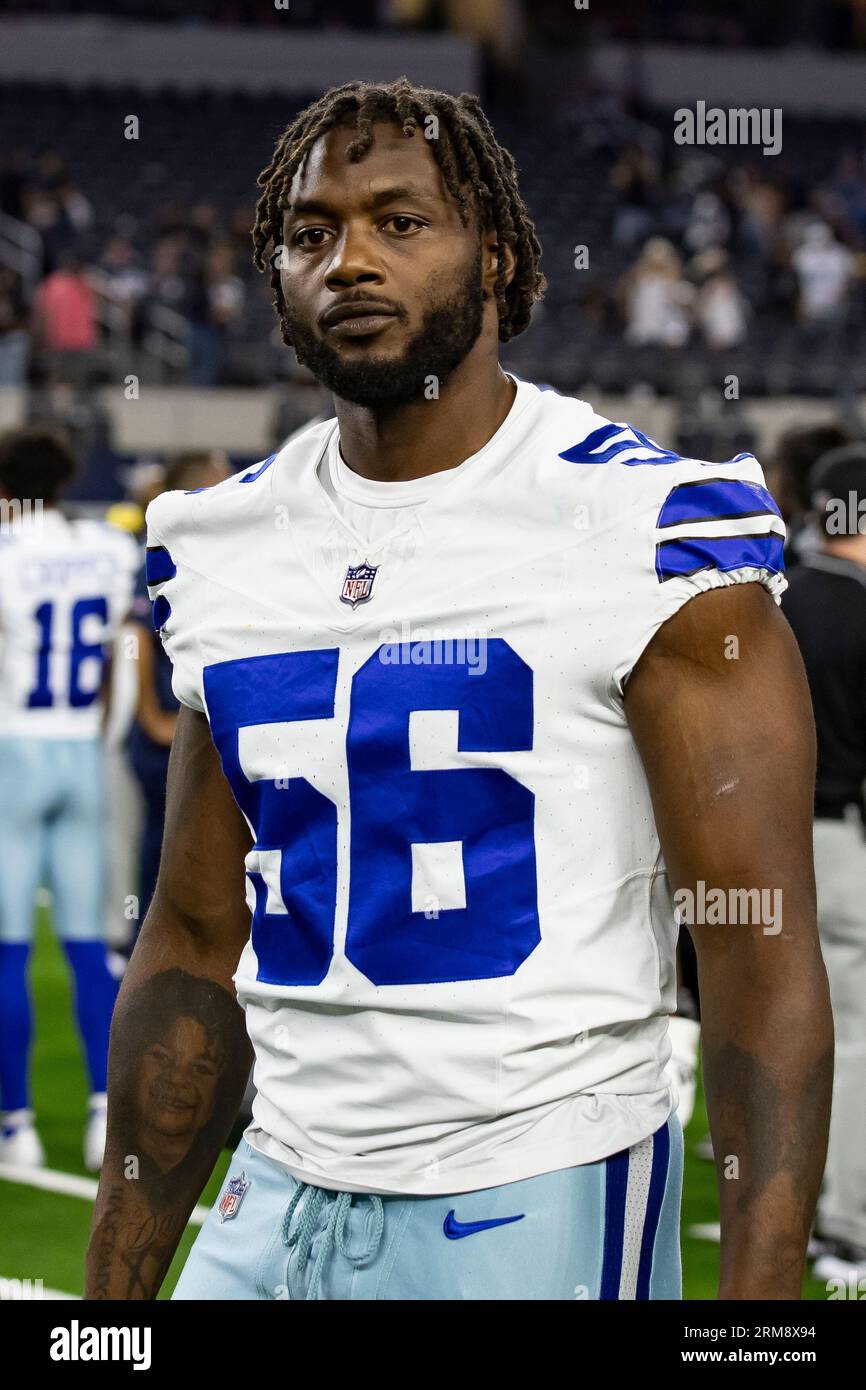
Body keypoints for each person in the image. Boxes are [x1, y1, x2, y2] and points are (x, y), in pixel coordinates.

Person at [86, 78, 831, 1302]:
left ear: (492, 254)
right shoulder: (218, 540)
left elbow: (754, 950)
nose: (349, 262)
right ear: (274, 275)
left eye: (399, 221)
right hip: (269, 1189)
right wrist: (108, 1311)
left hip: (533, 1191)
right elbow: (195, 936)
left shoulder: (640, 522)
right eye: (312, 233)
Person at [0, 428, 138, 1170]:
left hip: (15, 751)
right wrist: (104, 741)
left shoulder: (4, 556)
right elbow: (130, 652)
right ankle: (103, 1116)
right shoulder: (110, 550)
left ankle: (15, 1126)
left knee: (7, 951)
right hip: (84, 750)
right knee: (90, 949)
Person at [782, 442, 866, 1281]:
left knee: (780, 1024)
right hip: (843, 841)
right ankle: (845, 1222)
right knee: (853, 1032)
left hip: (764, 845)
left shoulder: (782, 600)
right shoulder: (858, 608)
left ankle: (786, 1209)